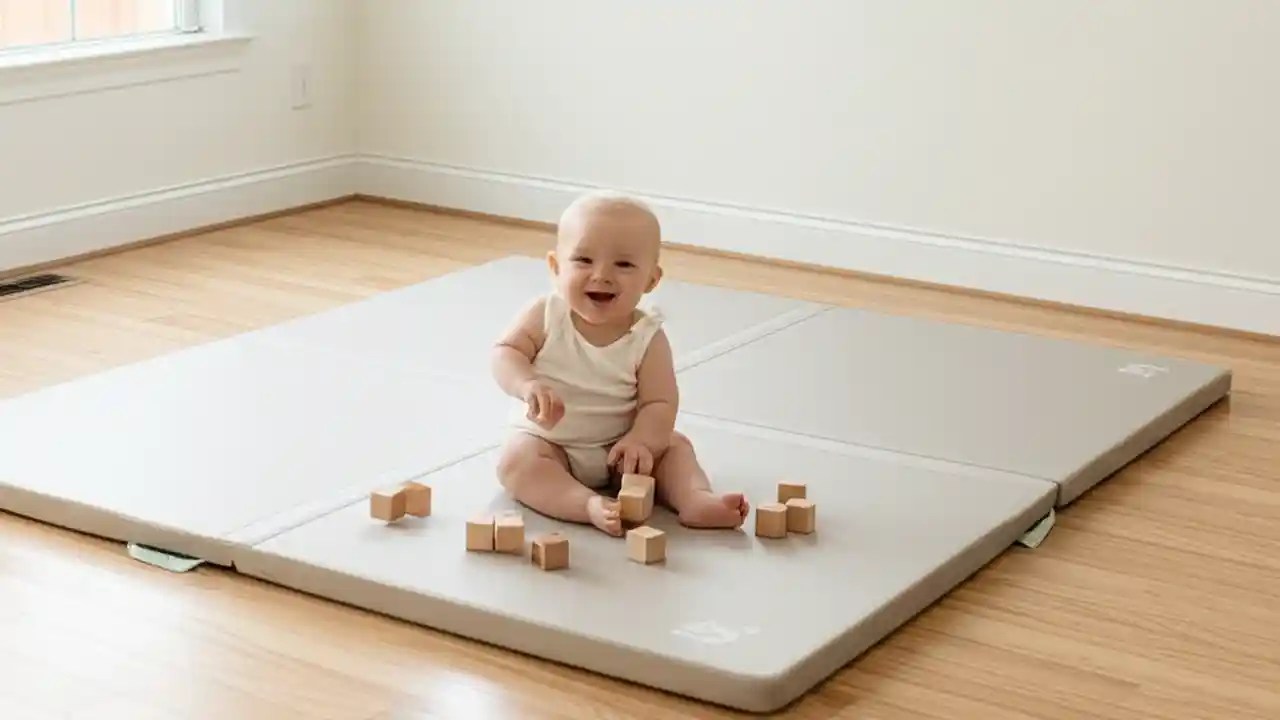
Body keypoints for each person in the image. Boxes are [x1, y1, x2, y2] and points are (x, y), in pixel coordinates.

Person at [491, 190, 750, 536]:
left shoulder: (647, 336)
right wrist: (527, 384)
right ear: (555, 267)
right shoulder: (545, 315)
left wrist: (643, 440)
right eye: (583, 260)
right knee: (516, 463)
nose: (601, 275)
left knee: (675, 447)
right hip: (551, 445)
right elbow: (505, 353)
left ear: (651, 280)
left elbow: (659, 401)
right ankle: (586, 504)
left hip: (622, 449)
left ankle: (695, 498)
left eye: (624, 264)